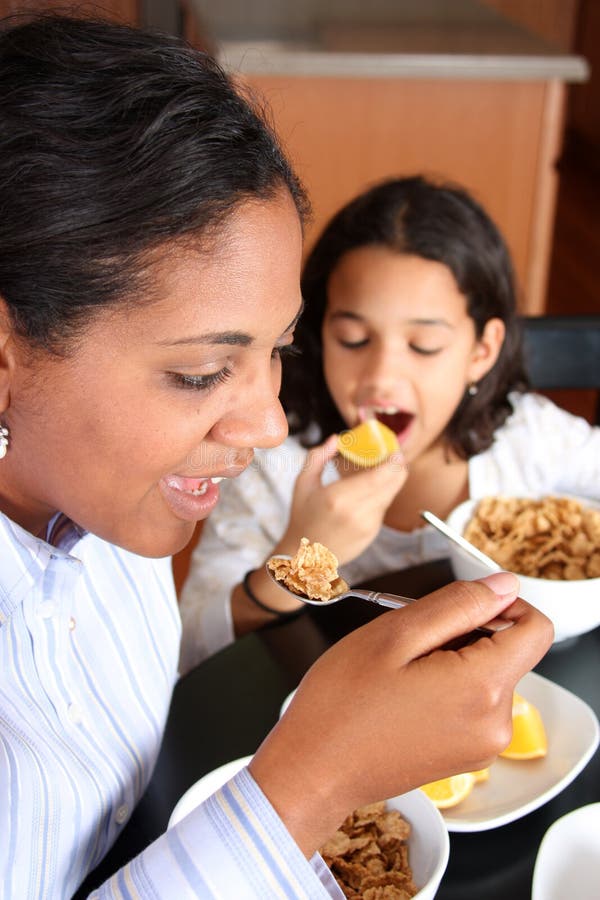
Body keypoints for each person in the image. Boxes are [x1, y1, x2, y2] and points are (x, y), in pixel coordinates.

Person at [0, 14, 553, 899]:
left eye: (277, 353)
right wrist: (312, 781)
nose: (265, 424)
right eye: (202, 372)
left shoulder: (112, 516)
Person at [180, 174, 599, 671]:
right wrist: (300, 557)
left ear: (481, 352)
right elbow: (191, 647)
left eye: (423, 346)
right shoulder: (276, 463)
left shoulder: (532, 441)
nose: (380, 377)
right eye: (354, 340)